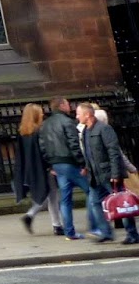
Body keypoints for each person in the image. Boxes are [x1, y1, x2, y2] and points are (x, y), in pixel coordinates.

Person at [39, 97, 94, 240]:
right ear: (62, 105)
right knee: (91, 190)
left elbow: (43, 147)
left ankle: (70, 231)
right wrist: (82, 163)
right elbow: (74, 145)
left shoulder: (45, 124)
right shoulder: (68, 122)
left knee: (65, 198)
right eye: (68, 104)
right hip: (70, 163)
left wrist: (50, 165)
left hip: (57, 165)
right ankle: (95, 225)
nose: (70, 107)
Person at [78, 102, 132, 243]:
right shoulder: (85, 131)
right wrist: (86, 166)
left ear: (88, 115)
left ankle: (132, 234)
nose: (77, 117)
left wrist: (115, 174)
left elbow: (113, 152)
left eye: (79, 114)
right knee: (95, 203)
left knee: (121, 204)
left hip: (108, 174)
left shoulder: (104, 129)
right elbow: (89, 153)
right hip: (95, 176)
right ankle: (106, 232)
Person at [13, 102, 62, 235]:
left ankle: (32, 216)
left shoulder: (23, 133)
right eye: (40, 112)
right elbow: (45, 151)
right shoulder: (40, 131)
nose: (42, 114)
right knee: (52, 195)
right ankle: (56, 225)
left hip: (32, 169)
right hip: (44, 168)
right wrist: (50, 165)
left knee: (47, 194)